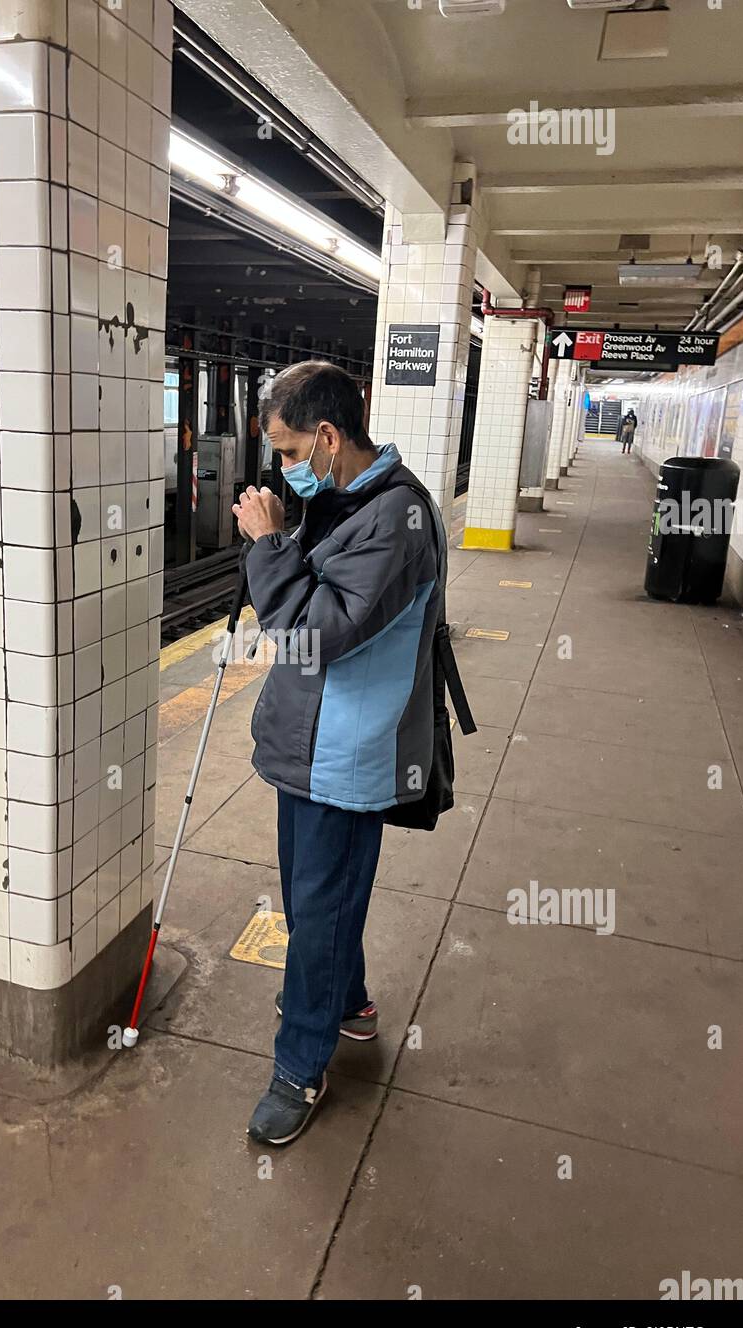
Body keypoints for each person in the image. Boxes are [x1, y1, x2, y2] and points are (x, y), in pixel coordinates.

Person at [231, 361, 446, 1145]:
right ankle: (348, 1004)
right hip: (311, 743)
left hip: (346, 756)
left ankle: (299, 1068)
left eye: (289, 451)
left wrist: (263, 545)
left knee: (316, 915)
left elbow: (310, 634)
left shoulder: (396, 520)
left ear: (327, 436)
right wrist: (282, 538)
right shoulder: (343, 497)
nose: (285, 468)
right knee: (314, 901)